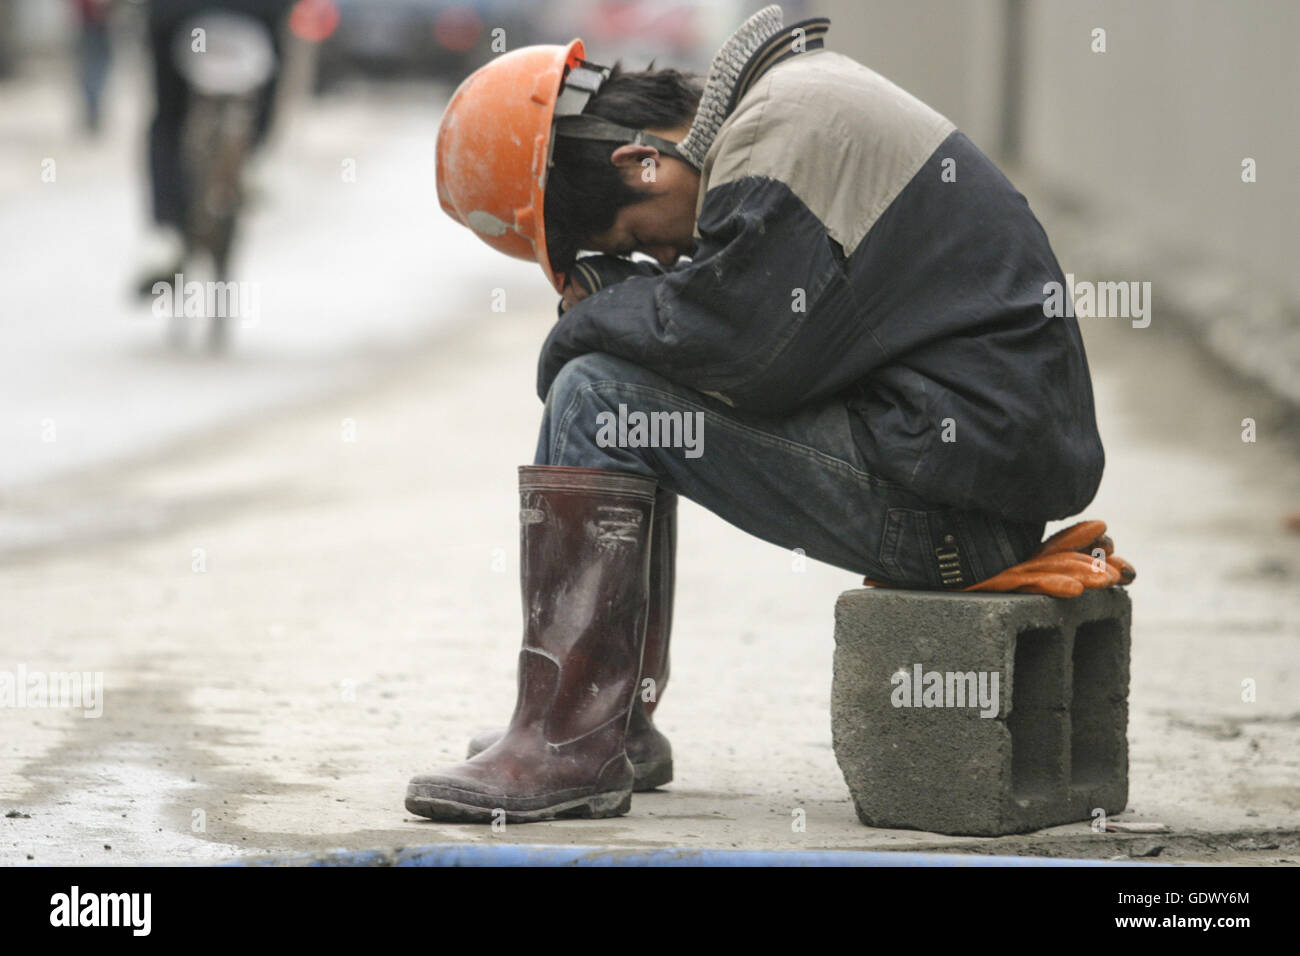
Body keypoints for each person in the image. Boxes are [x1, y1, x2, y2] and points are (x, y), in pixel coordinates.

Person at [408, 4, 1133, 824]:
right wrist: (635, 313)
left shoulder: (776, 138)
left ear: (643, 162)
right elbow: (752, 342)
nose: (671, 257)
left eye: (643, 236)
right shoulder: (793, 103)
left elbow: (741, 354)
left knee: (599, 396)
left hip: (950, 516)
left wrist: (581, 326)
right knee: (625, 385)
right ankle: (610, 725)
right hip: (957, 481)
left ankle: (569, 743)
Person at [134, 0, 291, 294]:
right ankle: (252, 155)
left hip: (179, 15)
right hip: (256, 15)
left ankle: (166, 226)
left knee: (168, 116)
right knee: (271, 77)